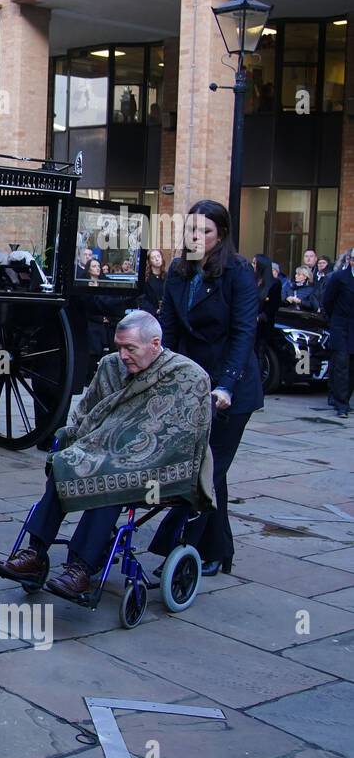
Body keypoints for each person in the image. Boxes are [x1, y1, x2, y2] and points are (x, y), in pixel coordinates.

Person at [0, 311, 213, 600]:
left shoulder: (187, 376)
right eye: (118, 346)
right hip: (106, 452)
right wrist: (75, 443)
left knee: (110, 476)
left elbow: (183, 437)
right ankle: (34, 552)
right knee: (68, 463)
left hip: (160, 472)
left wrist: (124, 459)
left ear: (155, 344)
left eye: (130, 348)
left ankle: (80, 568)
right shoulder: (110, 366)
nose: (122, 355)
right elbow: (85, 413)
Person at [150, 199, 263, 577]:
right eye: (191, 230)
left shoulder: (238, 272)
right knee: (215, 472)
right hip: (192, 383)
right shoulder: (179, 271)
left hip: (233, 389)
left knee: (204, 472)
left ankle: (176, 547)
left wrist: (227, 386)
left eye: (206, 232)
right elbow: (167, 326)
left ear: (222, 235)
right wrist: (153, 368)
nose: (196, 237)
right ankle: (219, 551)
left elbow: (244, 332)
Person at [321, 251, 354, 419]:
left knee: (351, 367)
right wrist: (333, 320)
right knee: (341, 364)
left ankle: (344, 398)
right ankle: (341, 404)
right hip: (340, 326)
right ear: (350, 261)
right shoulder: (340, 277)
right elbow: (327, 301)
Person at [140, 248, 166, 315]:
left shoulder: (167, 276)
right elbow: (142, 299)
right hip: (152, 314)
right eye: (153, 258)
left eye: (158, 256)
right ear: (149, 261)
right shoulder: (146, 278)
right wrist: (155, 311)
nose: (157, 259)